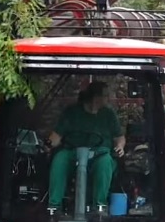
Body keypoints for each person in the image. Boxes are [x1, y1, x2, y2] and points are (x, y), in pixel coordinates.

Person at [46, 82, 125, 214]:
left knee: (105, 163)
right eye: (106, 95)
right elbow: (57, 136)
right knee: (59, 159)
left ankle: (99, 206)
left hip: (99, 154)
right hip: (72, 152)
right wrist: (47, 145)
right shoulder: (72, 112)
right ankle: (54, 206)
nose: (108, 98)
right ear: (96, 97)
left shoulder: (108, 114)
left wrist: (120, 146)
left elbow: (119, 137)